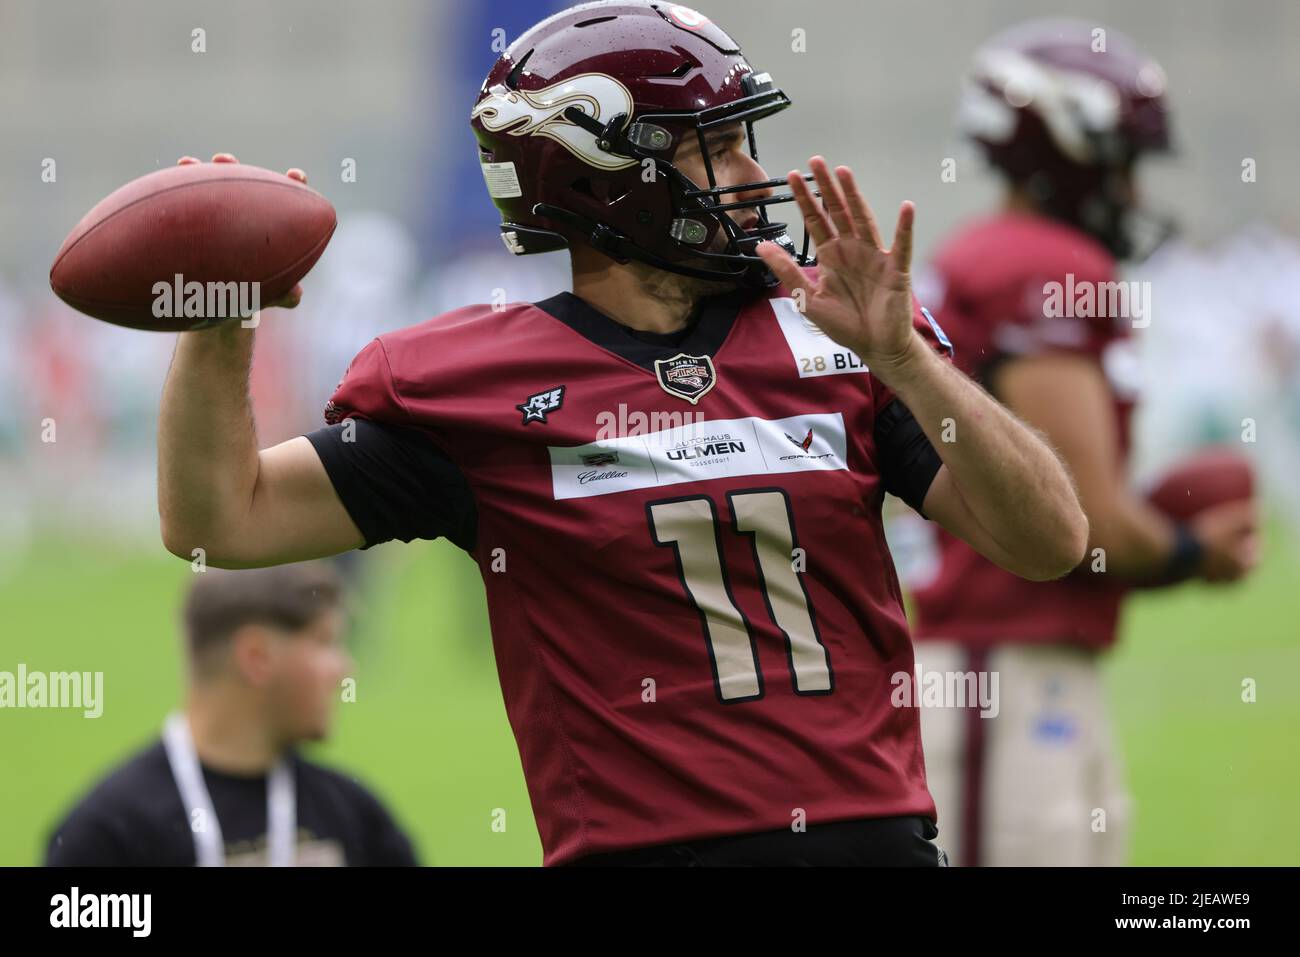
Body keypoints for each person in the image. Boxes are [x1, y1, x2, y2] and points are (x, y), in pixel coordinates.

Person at [156, 1, 1087, 866]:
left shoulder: (834, 342)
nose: (757, 176)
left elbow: (1050, 542)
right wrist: (219, 324)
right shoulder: (472, 391)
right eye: (716, 148)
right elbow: (221, 521)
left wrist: (910, 365)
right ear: (608, 178)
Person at [910, 19, 1258, 866]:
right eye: (1123, 165)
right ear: (1069, 151)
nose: (1134, 195)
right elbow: (1088, 523)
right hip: (1003, 667)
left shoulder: (992, 253)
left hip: (1015, 664)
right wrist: (1186, 549)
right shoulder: (1040, 264)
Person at [45, 562, 417, 866]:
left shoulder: (353, 818)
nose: (345, 669)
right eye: (324, 643)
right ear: (256, 657)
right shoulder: (111, 835)